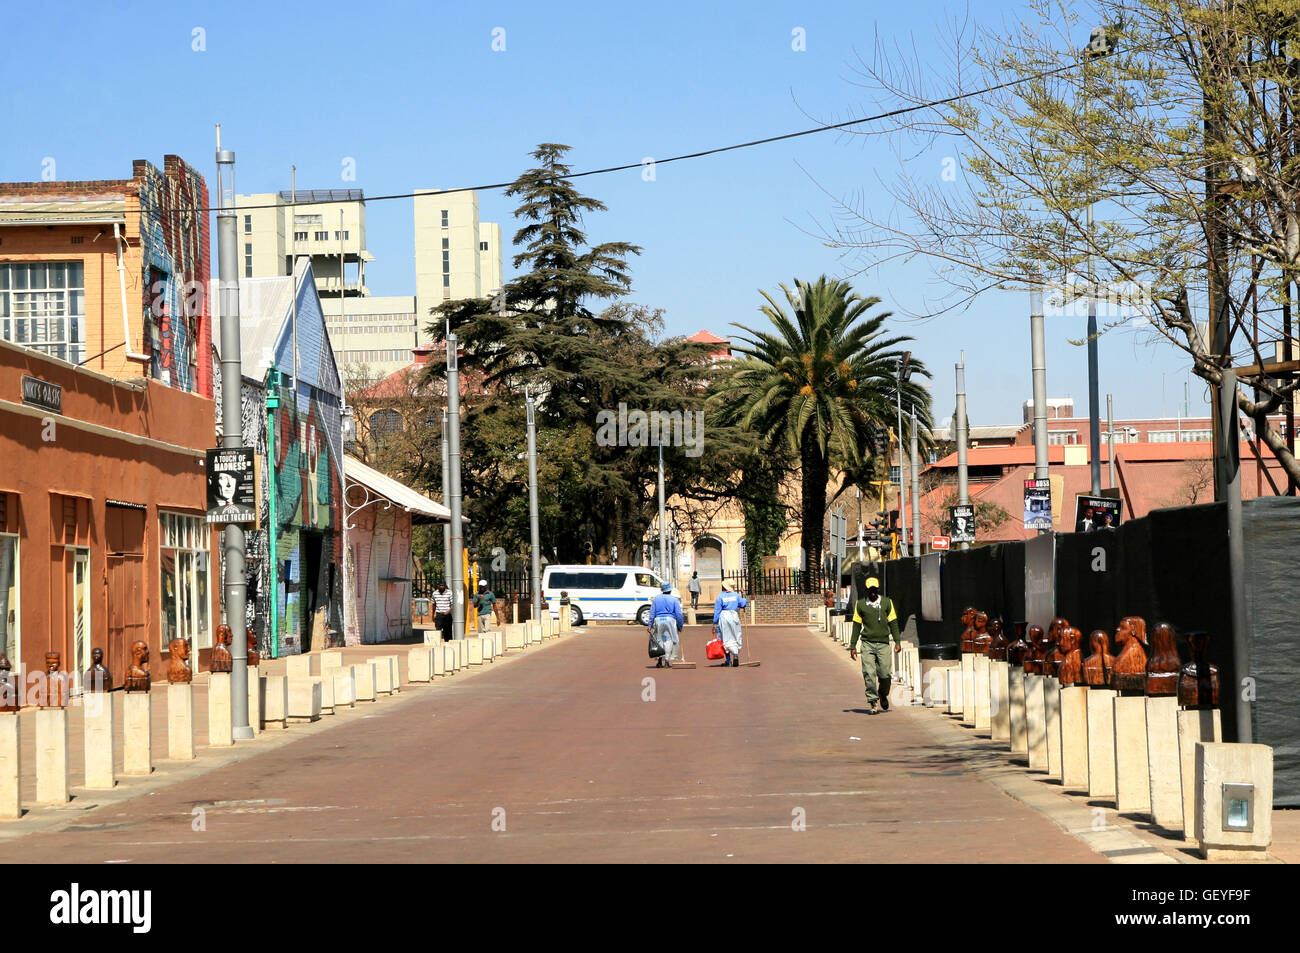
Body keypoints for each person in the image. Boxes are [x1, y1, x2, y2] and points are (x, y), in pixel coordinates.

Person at [848, 576, 900, 714]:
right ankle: (873, 702)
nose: (872, 592)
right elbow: (856, 626)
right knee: (869, 674)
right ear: (866, 590)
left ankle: (883, 693)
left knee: (885, 675)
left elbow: (893, 623)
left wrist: (897, 641)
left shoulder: (887, 603)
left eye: (874, 589)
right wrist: (852, 646)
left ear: (878, 589)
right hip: (867, 644)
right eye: (869, 589)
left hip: (883, 644)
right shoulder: (860, 604)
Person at [648, 582, 684, 668]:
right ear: (670, 590)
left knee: (659, 640)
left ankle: (660, 661)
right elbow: (679, 614)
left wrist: (649, 625)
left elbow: (652, 613)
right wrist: (680, 625)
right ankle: (667, 661)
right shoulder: (674, 599)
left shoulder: (656, 599)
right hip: (670, 620)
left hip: (658, 620)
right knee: (669, 640)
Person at [713, 581, 749, 667]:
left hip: (724, 616)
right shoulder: (736, 595)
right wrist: (743, 596)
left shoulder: (720, 596)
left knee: (725, 637)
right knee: (736, 635)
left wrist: (715, 622)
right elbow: (743, 604)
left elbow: (717, 610)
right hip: (734, 615)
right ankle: (736, 654)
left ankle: (728, 660)